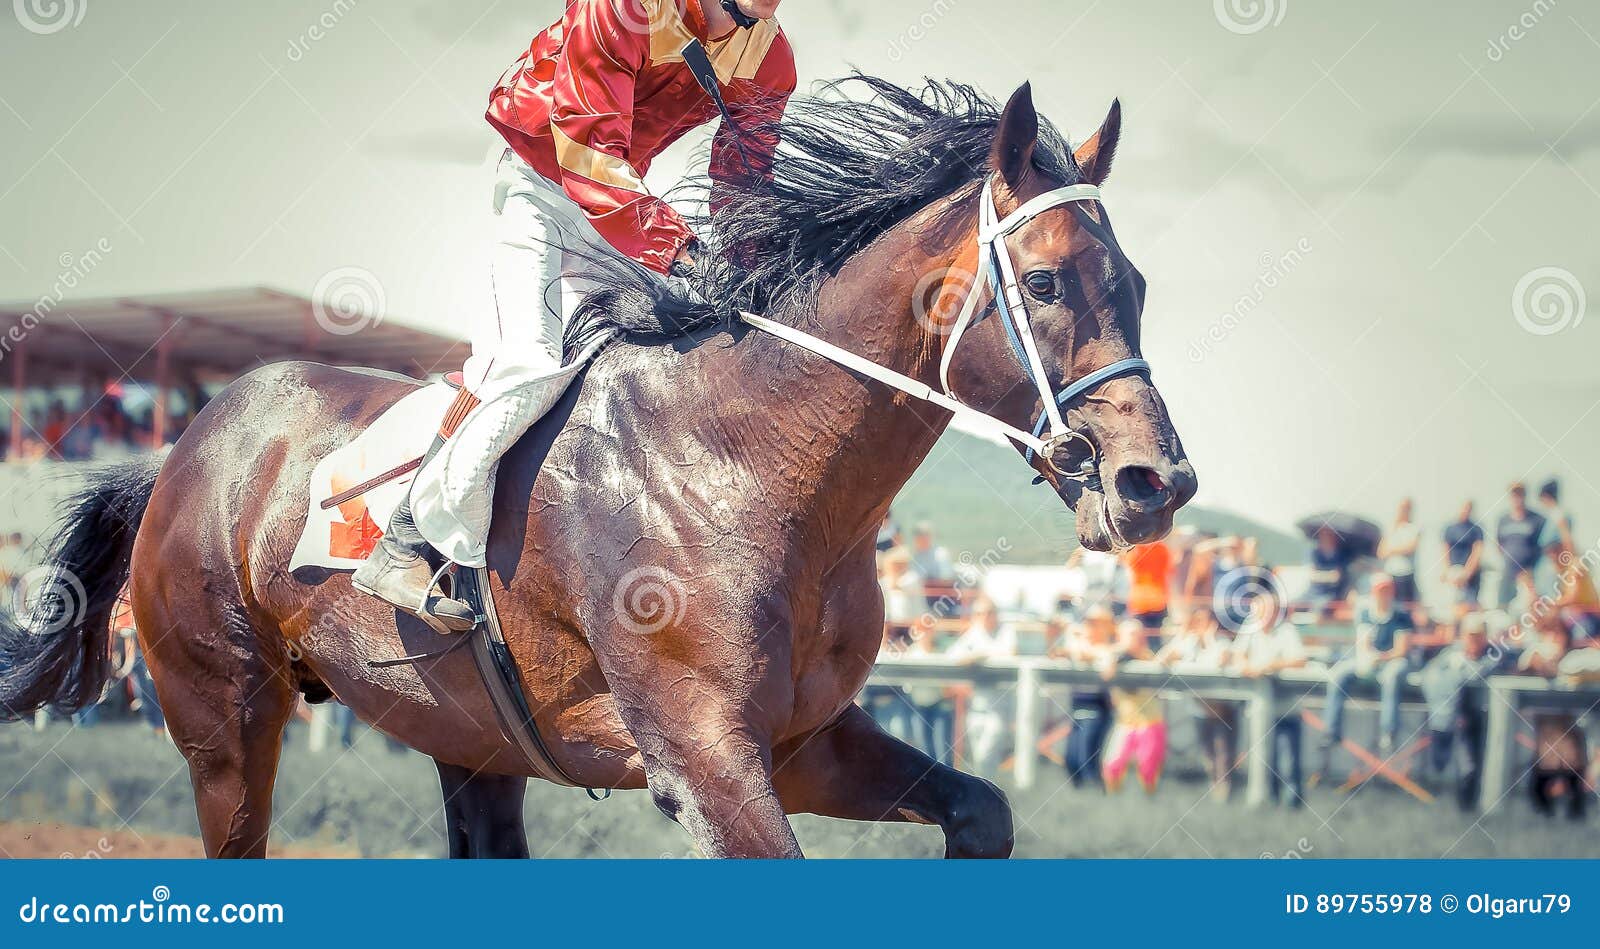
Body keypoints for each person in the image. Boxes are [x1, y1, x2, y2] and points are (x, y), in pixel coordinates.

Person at [353, 0, 797, 630]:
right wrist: (678, 247)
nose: (741, 28)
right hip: (542, 188)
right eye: (734, 9)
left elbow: (743, 172)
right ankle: (403, 543)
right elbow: (586, 149)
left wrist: (746, 262)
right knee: (525, 363)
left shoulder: (769, 59)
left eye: (755, 16)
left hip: (618, 213)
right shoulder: (622, 7)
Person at [1320, 574, 1415, 767]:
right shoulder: (1365, 612)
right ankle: (1331, 731)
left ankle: (1388, 731)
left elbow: (1401, 650)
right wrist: (1369, 658)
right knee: (1338, 674)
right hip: (1372, 660)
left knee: (1392, 676)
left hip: (1392, 661)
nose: (1383, 594)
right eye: (1380, 590)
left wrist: (1380, 657)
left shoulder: (1401, 614)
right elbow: (1364, 644)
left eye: (1387, 589)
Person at [1232, 588, 1309, 807]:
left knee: (1288, 761)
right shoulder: (1250, 629)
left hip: (1287, 708)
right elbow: (1237, 654)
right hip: (1261, 708)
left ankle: (1293, 805)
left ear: (1275, 613)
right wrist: (1247, 667)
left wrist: (1269, 666)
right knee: (1266, 759)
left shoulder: (1286, 631)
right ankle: (1272, 803)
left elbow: (1299, 659)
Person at [1419, 614, 1498, 810]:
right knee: (1461, 764)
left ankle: (1475, 805)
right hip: (1451, 719)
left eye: (1478, 635)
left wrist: (1459, 670)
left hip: (1484, 718)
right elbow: (1429, 677)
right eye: (1470, 635)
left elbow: (1477, 675)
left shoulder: (1494, 654)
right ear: (1462, 636)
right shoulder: (1449, 656)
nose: (1473, 640)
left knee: (1475, 764)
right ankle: (1460, 806)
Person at [1157, 608, 1237, 801]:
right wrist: (1181, 635)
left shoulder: (1223, 643)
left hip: (1222, 709)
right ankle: (1214, 788)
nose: (1197, 626)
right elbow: (1161, 659)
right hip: (1200, 708)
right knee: (1208, 753)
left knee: (1223, 754)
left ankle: (1224, 792)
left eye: (1202, 622)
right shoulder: (1189, 644)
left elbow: (1218, 663)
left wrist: (1209, 638)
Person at [1518, 619, 1588, 819]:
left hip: (1568, 723)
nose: (1555, 639)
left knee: (1573, 764)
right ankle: (1543, 812)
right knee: (1544, 766)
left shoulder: (1574, 659)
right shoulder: (1535, 655)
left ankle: (1575, 813)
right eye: (1550, 634)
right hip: (1545, 726)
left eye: (1559, 634)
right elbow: (1524, 668)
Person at [946, 596, 1017, 775]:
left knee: (986, 756)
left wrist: (978, 656)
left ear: (996, 614)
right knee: (978, 760)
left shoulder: (1006, 631)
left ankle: (987, 798)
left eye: (988, 612)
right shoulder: (974, 633)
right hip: (976, 706)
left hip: (999, 708)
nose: (984, 617)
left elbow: (1009, 654)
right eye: (979, 613)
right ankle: (987, 798)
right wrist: (974, 658)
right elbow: (952, 657)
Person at [1102, 621, 1165, 794]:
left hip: (1149, 721)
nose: (1136, 639)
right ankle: (1111, 799)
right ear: (1120, 638)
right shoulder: (1114, 655)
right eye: (1131, 635)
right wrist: (1116, 654)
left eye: (1139, 635)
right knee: (1113, 762)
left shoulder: (1147, 656)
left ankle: (1149, 798)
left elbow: (1158, 668)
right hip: (1126, 721)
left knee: (1148, 765)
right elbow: (1107, 670)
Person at [1060, 606, 1117, 787]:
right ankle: (1080, 803)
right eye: (1088, 622)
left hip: (1097, 707)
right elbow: (1068, 648)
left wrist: (1090, 652)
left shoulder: (1107, 649)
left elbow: (1107, 670)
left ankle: (1097, 800)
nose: (1089, 627)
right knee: (1071, 761)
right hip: (1077, 706)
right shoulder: (1078, 644)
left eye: (1095, 623)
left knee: (1087, 761)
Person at [1495, 482, 1548, 611]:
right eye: (1513, 494)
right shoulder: (1503, 520)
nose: (1516, 497)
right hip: (1507, 573)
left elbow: (1543, 548)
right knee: (1503, 609)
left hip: (1531, 576)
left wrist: (1529, 570)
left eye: (1520, 493)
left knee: (1529, 611)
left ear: (1525, 495)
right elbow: (1498, 544)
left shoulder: (1537, 519)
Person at [1121, 540, 1172, 647]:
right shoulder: (1162, 549)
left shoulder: (1136, 549)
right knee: (1152, 637)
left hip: (1144, 601)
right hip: (1153, 600)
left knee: (1146, 638)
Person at [1443, 500, 1485, 615]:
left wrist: (1466, 575)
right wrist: (1449, 573)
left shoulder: (1477, 529)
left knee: (1470, 608)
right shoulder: (1449, 529)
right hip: (1453, 576)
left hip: (1470, 578)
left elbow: (1477, 552)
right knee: (1451, 609)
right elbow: (1444, 551)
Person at [1379, 498, 1421, 609]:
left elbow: (1410, 548)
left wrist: (1392, 550)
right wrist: (1396, 549)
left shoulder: (1414, 529)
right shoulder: (1390, 528)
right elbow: (1381, 552)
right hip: (1390, 573)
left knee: (1406, 607)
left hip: (1406, 574)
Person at [1305, 526, 1352, 618]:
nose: (1325, 538)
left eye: (1328, 535)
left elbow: (1337, 577)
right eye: (1322, 535)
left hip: (1331, 594)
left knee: (1320, 608)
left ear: (1335, 537)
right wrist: (1328, 576)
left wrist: (1320, 576)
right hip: (1312, 592)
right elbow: (1312, 575)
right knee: (1291, 604)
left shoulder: (1343, 555)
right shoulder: (1315, 553)